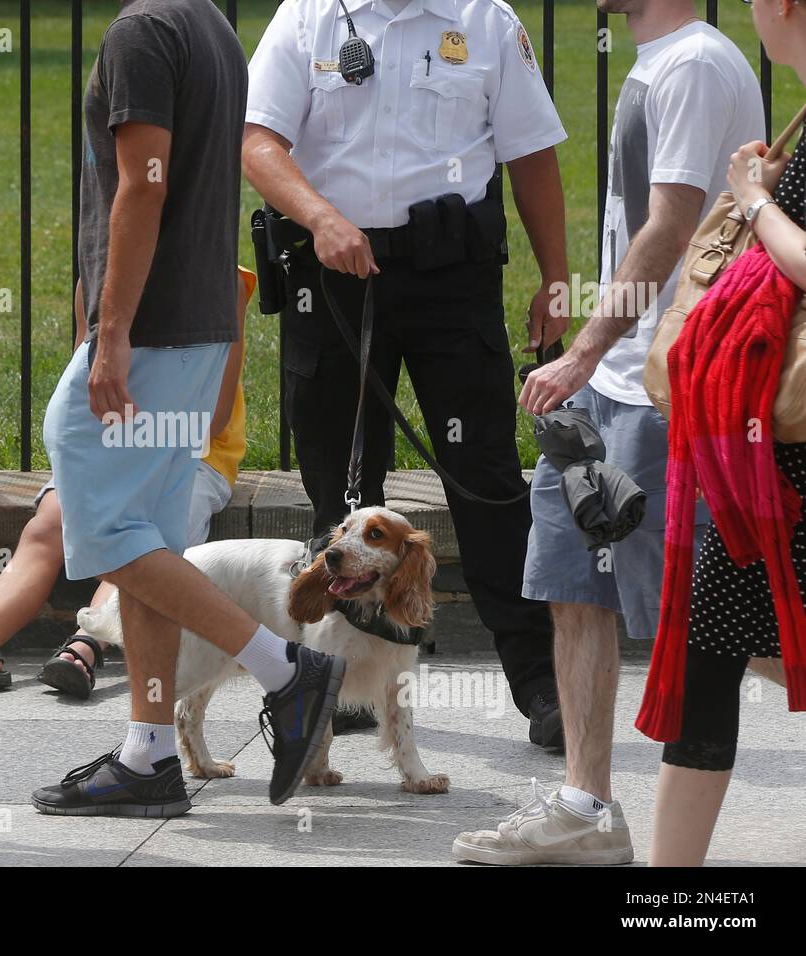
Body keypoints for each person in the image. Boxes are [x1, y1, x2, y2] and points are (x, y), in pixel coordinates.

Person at [453, 0, 763, 865]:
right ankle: (587, 809)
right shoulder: (660, 59)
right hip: (614, 386)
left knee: (723, 621)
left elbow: (671, 225)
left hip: (663, 386)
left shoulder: (694, 64)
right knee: (571, 587)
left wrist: (583, 351)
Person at [30, 0, 345, 819]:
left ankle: (287, 669)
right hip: (197, 330)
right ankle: (148, 754)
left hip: (153, 333)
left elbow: (142, 183)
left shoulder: (142, 32)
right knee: (152, 543)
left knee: (109, 533)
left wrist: (110, 335)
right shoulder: (209, 25)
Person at [242, 0, 566, 746]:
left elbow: (532, 153)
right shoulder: (307, 16)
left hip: (450, 273)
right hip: (332, 275)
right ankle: (349, 687)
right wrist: (320, 217)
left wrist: (555, 274)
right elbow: (259, 142)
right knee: (340, 480)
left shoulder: (483, 18)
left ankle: (540, 680)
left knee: (485, 477)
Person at [0, 268, 254, 701]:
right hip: (112, 437)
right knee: (47, 525)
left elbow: (211, 419)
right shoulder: (100, 270)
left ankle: (89, 642)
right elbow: (83, 385)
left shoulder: (221, 279)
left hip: (189, 448)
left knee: (139, 535)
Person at [644, 0, 806, 867]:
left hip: (789, 452)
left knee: (719, 649)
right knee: (718, 649)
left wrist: (751, 202)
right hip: (772, 449)